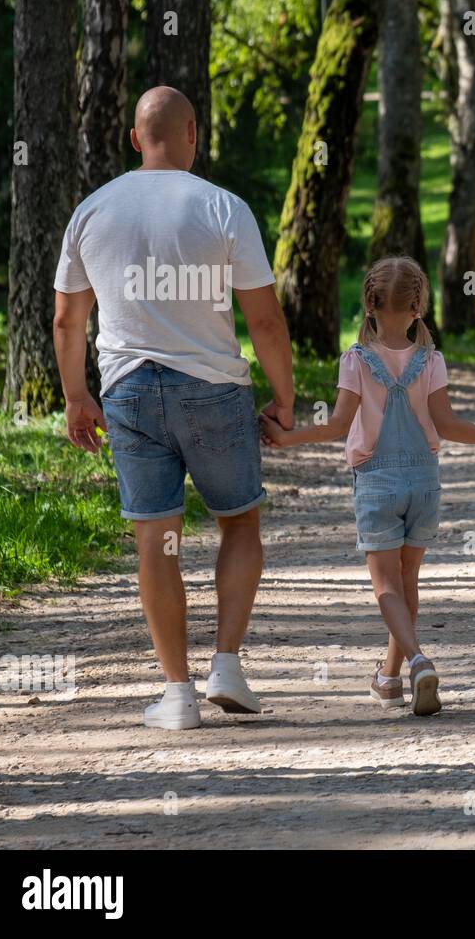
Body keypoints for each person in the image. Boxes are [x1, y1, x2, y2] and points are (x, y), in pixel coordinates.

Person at [53, 86, 295, 730]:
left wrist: (78, 397)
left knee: (157, 542)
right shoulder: (224, 208)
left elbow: (65, 319)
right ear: (193, 133)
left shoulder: (91, 211)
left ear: (136, 138)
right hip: (213, 388)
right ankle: (228, 665)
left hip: (128, 390)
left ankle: (177, 694)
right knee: (239, 524)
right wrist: (286, 396)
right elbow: (265, 321)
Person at [259, 257, 475, 717]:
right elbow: (448, 425)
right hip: (424, 482)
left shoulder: (356, 360)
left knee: (386, 586)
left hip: (377, 483)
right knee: (409, 582)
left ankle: (418, 660)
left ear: (369, 305)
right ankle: (389, 679)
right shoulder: (431, 360)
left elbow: (336, 426)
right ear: (418, 307)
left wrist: (288, 438)